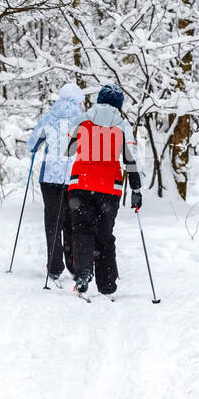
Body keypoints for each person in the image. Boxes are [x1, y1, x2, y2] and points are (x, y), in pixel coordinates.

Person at [66, 84, 142, 298]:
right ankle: (107, 285)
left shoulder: (82, 119)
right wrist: (136, 189)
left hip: (81, 183)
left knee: (82, 230)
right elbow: (130, 159)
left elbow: (68, 149)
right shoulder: (122, 125)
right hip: (110, 188)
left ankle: (83, 274)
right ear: (119, 105)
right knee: (104, 235)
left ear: (98, 100)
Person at [26, 82, 84, 283]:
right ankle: (74, 265)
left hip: (49, 178)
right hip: (74, 179)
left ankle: (54, 266)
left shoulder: (48, 118)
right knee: (72, 222)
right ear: (78, 100)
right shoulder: (83, 120)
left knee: (53, 222)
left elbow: (32, 145)